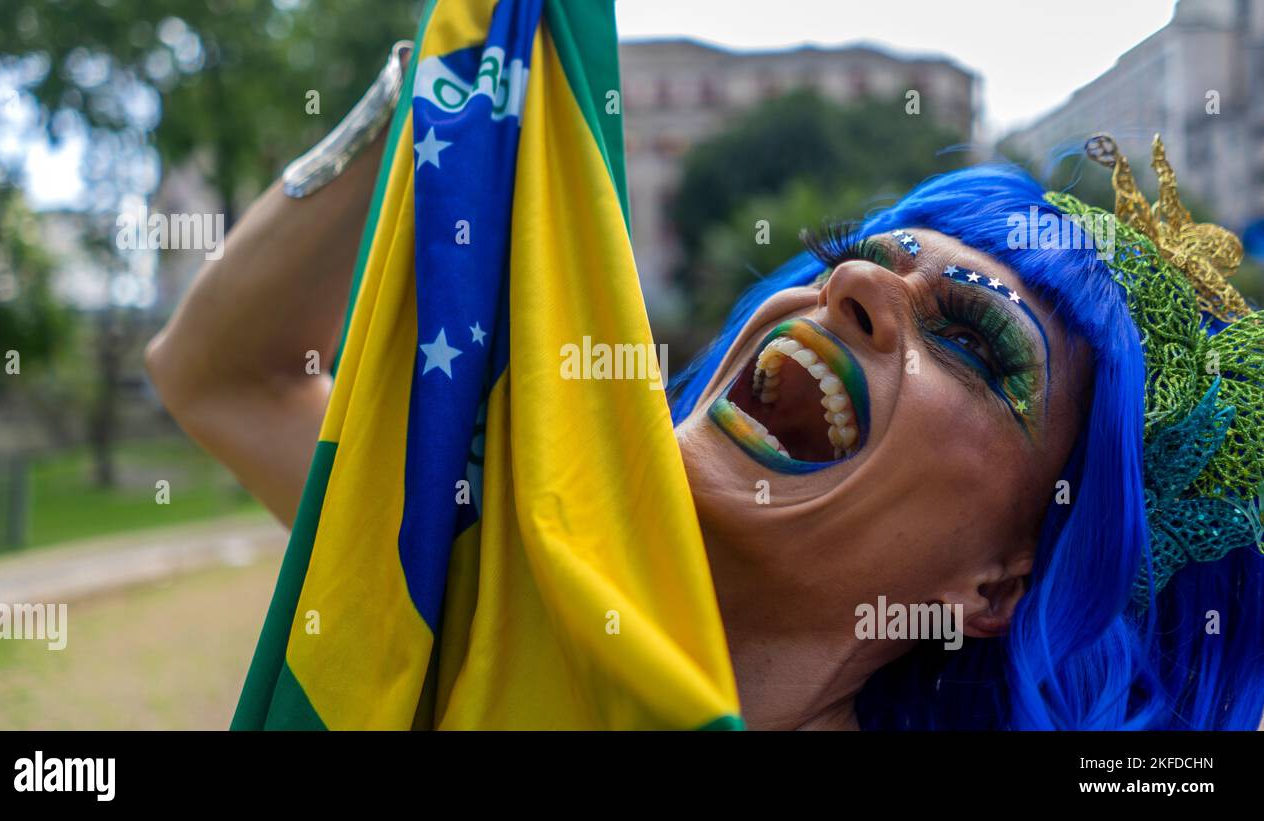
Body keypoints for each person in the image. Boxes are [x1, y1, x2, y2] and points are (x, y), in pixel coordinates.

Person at [147, 46, 1264, 727]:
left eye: (975, 344)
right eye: (844, 258)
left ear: (999, 586)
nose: (860, 284)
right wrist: (437, 89)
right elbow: (216, 374)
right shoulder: (495, 584)